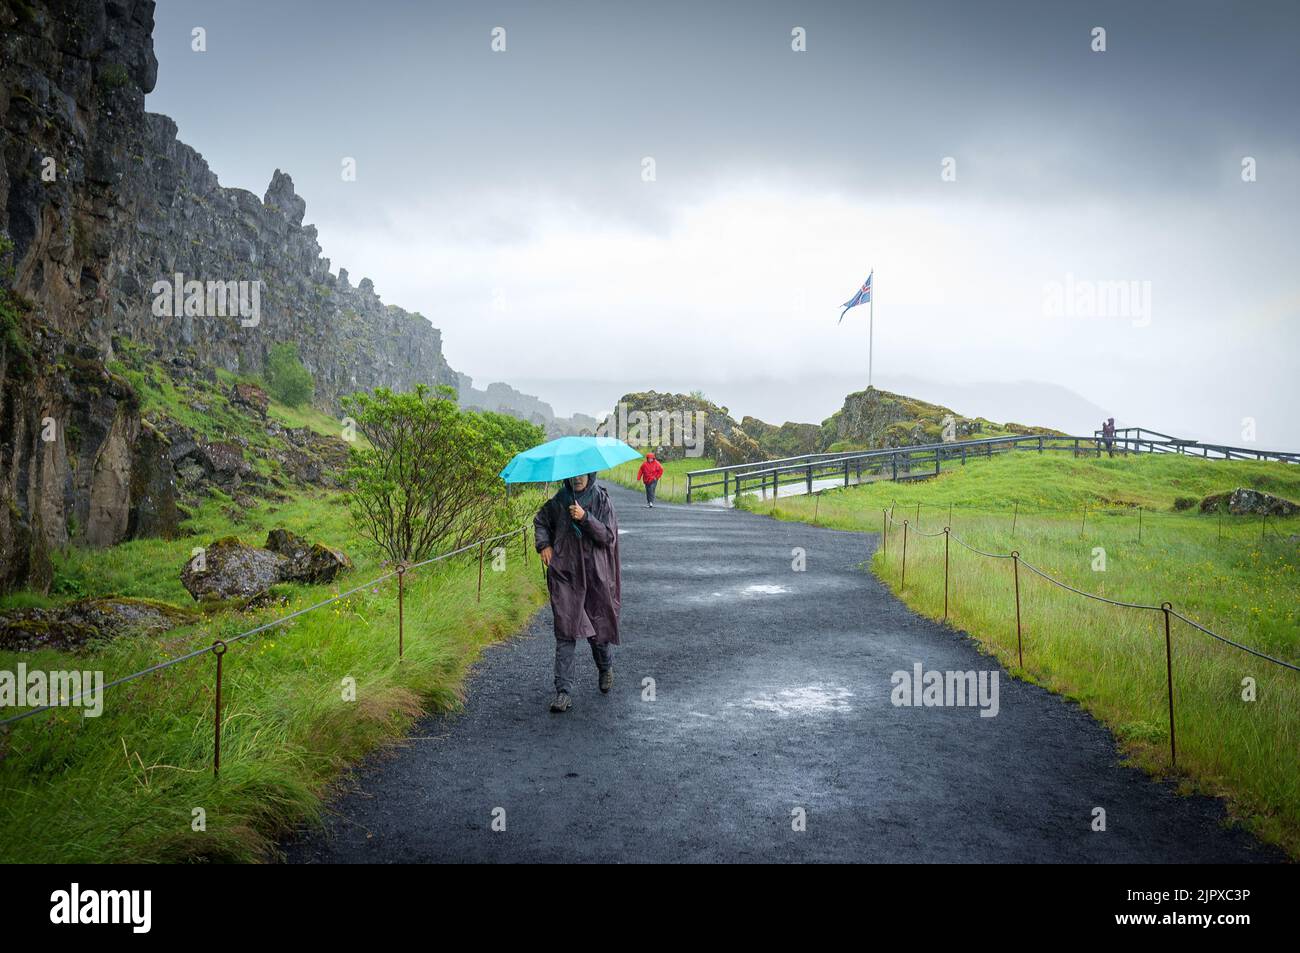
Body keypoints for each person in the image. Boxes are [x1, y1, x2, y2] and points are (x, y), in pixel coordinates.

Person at [534, 472, 621, 713]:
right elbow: (541, 521)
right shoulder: (560, 500)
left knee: (597, 629)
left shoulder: (602, 500)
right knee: (565, 630)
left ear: (590, 474)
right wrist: (544, 544)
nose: (578, 479)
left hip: (595, 574)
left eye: (582, 475)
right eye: (573, 475)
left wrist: (585, 518)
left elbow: (607, 536)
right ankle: (563, 692)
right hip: (566, 573)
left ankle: (605, 667)